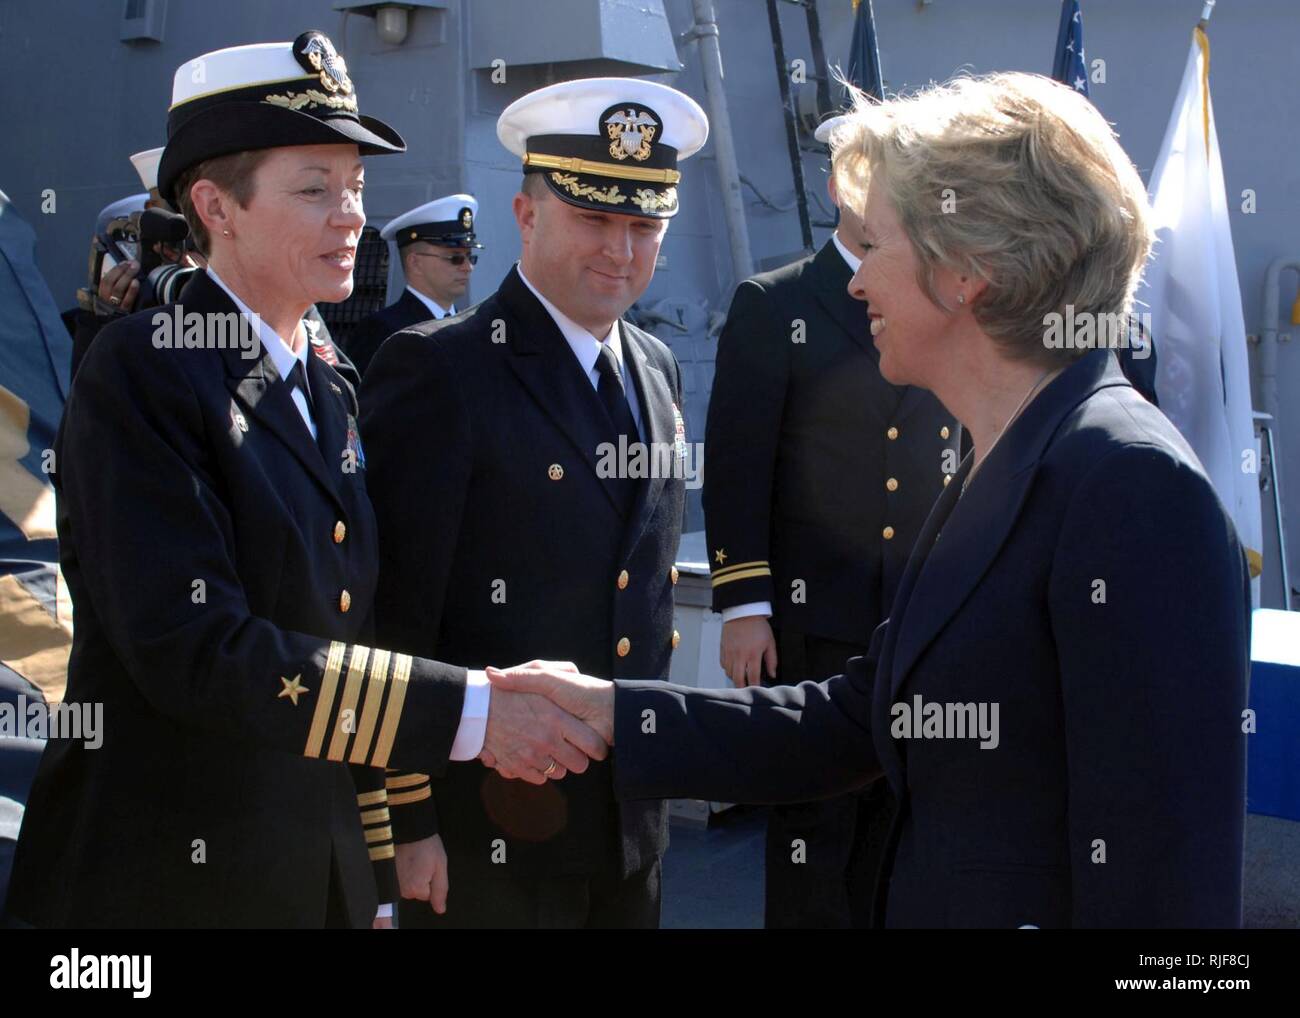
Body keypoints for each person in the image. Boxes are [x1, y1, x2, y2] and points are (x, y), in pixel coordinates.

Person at [496, 72, 1252, 929]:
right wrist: (613, 713)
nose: (856, 285)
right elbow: (860, 719)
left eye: (878, 247)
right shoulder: (999, 455)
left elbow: (1167, 882)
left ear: (965, 272)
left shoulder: (1129, 487)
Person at [4, 32, 604, 930]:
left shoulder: (325, 374)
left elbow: (346, 619)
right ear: (217, 205)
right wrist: (472, 713)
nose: (352, 215)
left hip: (311, 865)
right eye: (314, 188)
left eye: (356, 186)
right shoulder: (147, 369)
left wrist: (377, 841)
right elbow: (194, 647)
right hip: (170, 877)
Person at [360, 77, 708, 928]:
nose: (620, 251)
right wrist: (406, 823)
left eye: (643, 227)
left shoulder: (656, 369)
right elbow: (392, 616)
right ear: (526, 214)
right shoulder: (442, 371)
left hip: (627, 826)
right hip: (486, 834)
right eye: (595, 219)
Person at [704, 114, 959, 928]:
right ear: (834, 188)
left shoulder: (938, 296)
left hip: (913, 610)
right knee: (814, 818)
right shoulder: (773, 304)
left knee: (899, 812)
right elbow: (738, 462)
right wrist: (745, 605)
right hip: (813, 618)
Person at [347, 193, 481, 374]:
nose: (468, 267)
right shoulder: (384, 331)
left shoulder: (471, 326)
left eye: (470, 257)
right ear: (415, 263)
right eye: (455, 258)